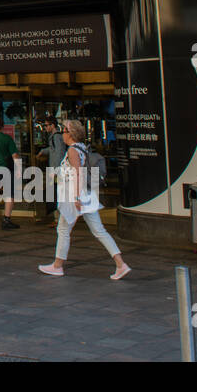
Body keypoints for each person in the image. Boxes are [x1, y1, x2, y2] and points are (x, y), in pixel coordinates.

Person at [40, 120, 131, 280]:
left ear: (71, 134)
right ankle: (120, 264)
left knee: (63, 230)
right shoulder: (81, 148)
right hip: (86, 195)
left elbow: (78, 173)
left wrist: (76, 197)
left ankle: (57, 266)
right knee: (98, 230)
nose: (63, 134)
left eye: (65, 131)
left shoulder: (73, 151)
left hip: (75, 196)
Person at [36, 117, 65, 226]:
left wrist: (56, 169)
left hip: (56, 169)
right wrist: (43, 151)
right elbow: (53, 150)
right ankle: (57, 218)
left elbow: (59, 153)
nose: (45, 127)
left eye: (47, 125)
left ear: (53, 125)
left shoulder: (56, 137)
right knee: (55, 193)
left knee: (56, 194)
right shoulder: (54, 137)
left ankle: (59, 219)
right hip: (55, 169)